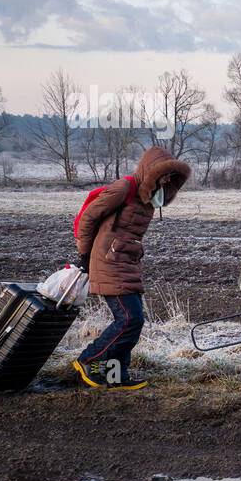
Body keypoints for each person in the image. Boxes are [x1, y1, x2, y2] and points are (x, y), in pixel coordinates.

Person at [73, 144, 191, 390]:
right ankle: (89, 360)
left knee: (134, 322)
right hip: (108, 261)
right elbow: (89, 217)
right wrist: (84, 255)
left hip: (127, 262)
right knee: (128, 319)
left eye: (170, 178)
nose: (166, 182)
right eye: (163, 176)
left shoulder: (148, 198)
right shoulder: (125, 188)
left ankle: (116, 375)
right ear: (151, 172)